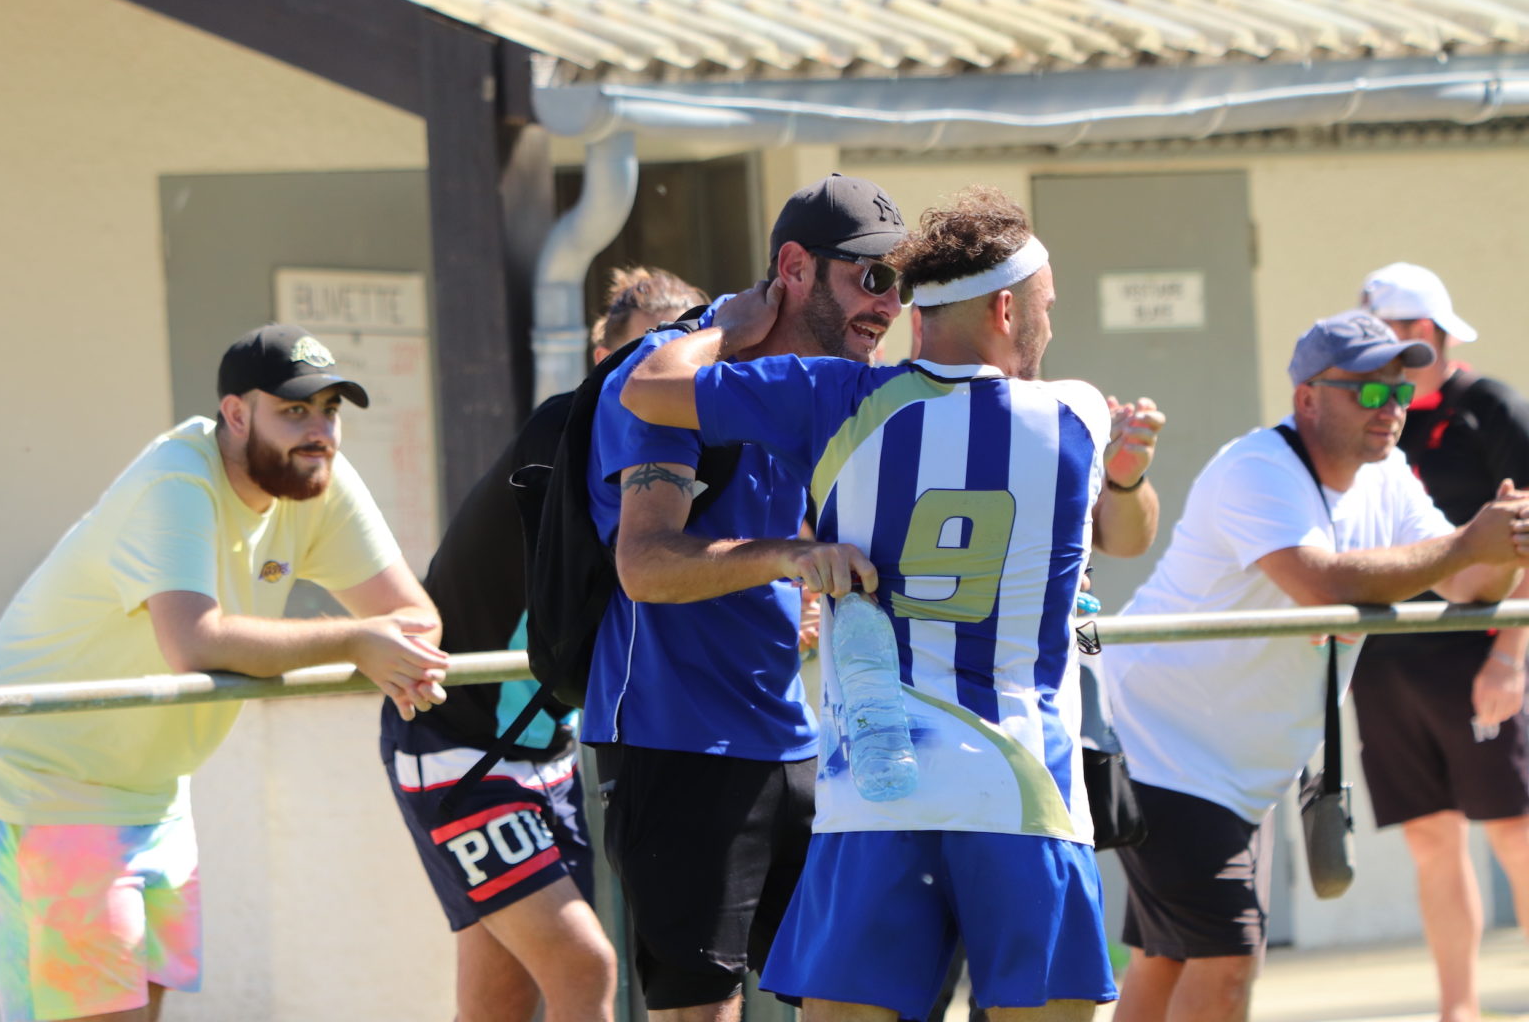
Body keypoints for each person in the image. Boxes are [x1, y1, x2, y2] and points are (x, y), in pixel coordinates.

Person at [621, 184, 1167, 1022]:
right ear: (1008, 310)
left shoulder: (836, 396)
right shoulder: (1080, 414)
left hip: (876, 798)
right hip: (1026, 798)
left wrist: (732, 322)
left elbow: (647, 388)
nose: (1051, 325)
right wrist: (1126, 477)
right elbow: (1126, 538)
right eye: (1047, 306)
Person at [0, 324, 448, 1022]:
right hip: (43, 785)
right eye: (294, 410)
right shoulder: (176, 479)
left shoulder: (320, 477)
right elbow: (195, 643)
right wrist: (358, 641)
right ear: (235, 415)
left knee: (139, 1013)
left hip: (155, 791)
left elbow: (415, 621)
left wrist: (394, 650)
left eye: (330, 409)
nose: (319, 429)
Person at [1105, 310, 1529, 1022]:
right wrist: (1467, 546)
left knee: (1167, 958)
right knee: (1227, 959)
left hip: (1241, 769)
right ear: (1308, 398)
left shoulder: (1388, 472)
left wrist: (1501, 548)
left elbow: (1464, 588)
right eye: (1368, 391)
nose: (1390, 408)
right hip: (1163, 748)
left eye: (1399, 390)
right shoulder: (1257, 468)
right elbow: (1323, 583)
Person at [584, 173, 905, 1021]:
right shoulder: (676, 377)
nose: (889, 305)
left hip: (794, 737)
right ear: (794, 267)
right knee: (703, 1009)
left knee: (847, 990)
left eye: (900, 284)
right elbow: (644, 565)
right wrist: (788, 556)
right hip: (676, 740)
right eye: (871, 276)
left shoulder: (823, 389)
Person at [380, 265, 707, 1022]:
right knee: (584, 967)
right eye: (645, 356)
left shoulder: (682, 460)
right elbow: (649, 583)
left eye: (689, 356)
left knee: (502, 995)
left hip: (546, 753)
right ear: (603, 367)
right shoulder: (571, 435)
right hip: (455, 747)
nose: (667, 376)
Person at [1351, 262, 1529, 1022]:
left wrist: (1510, 656)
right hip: (1387, 661)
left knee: (1515, 833)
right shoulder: (1372, 412)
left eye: (1385, 338)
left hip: (1477, 653)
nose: (1374, 358)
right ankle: (1458, 1009)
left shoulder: (1493, 407)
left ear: (1426, 333)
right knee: (1429, 836)